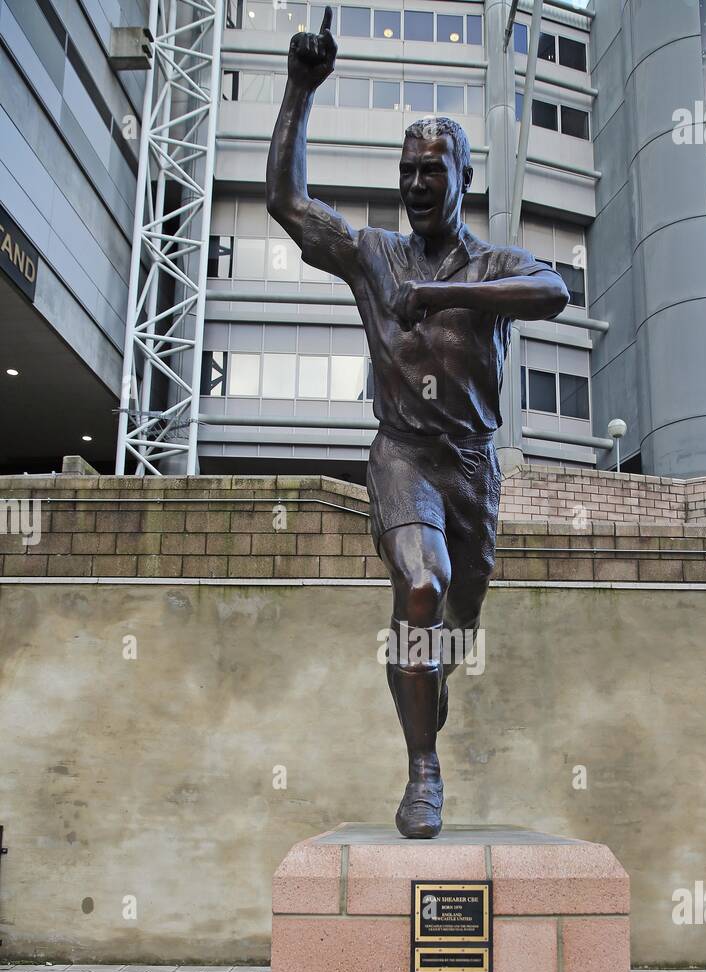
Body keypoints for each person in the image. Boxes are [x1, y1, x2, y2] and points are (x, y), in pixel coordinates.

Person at [267, 8, 569, 837]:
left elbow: (555, 293)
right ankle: (422, 771)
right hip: (403, 454)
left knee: (449, 630)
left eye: (432, 171)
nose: (416, 184)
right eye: (407, 170)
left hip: (474, 469)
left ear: (462, 177)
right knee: (421, 585)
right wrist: (299, 89)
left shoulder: (495, 266)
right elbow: (288, 203)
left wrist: (444, 295)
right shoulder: (372, 255)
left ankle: (421, 692)